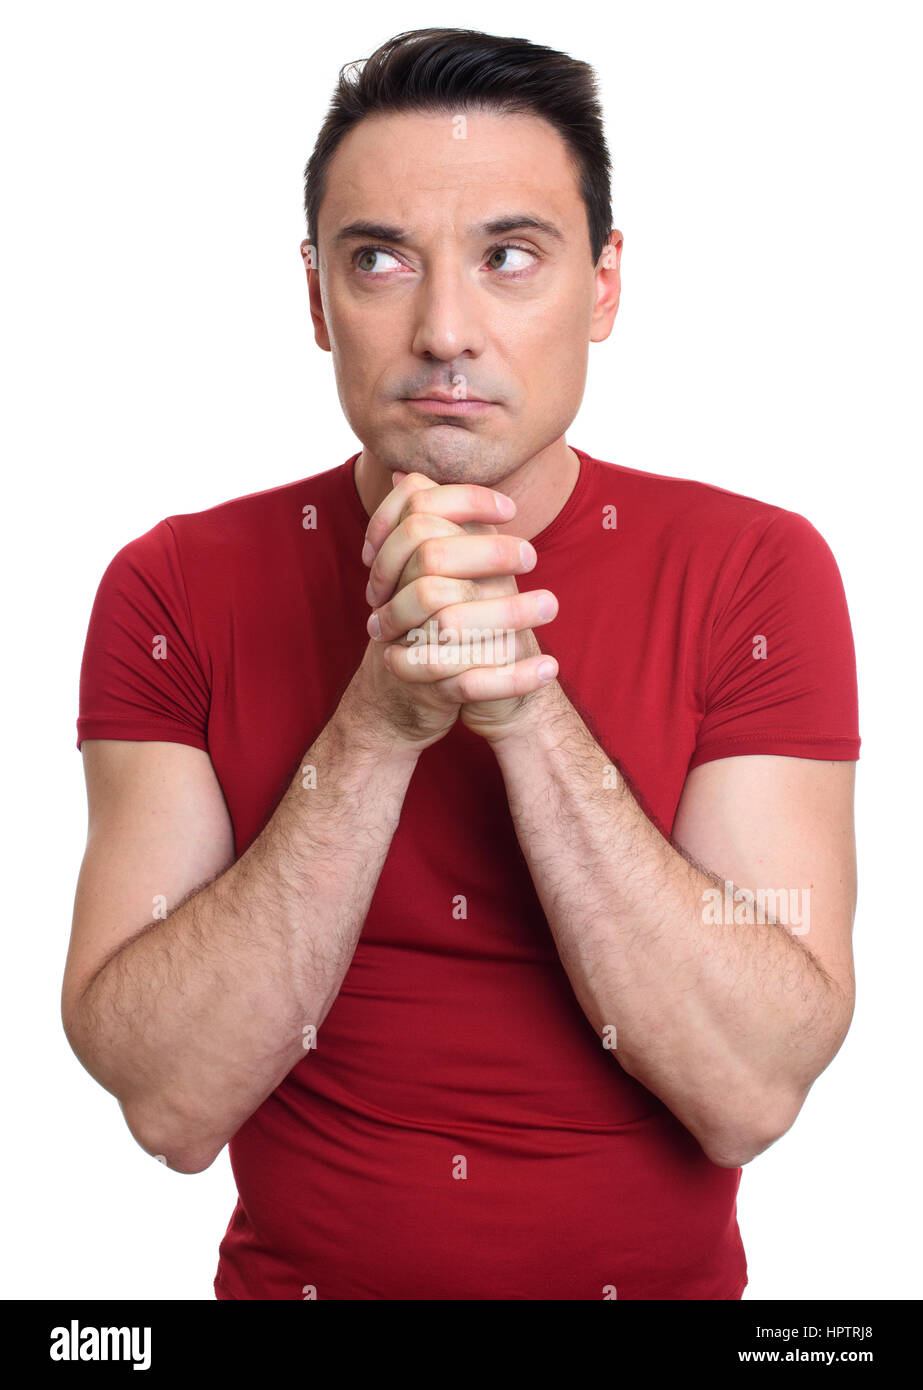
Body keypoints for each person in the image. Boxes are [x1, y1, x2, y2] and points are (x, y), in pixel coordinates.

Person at [64, 27, 860, 1300]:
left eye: (508, 258)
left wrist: (518, 699)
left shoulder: (756, 572)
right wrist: (377, 721)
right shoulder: (170, 587)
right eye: (379, 260)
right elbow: (166, 1102)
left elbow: (749, 1090)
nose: (444, 330)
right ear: (316, 297)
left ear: (602, 287)